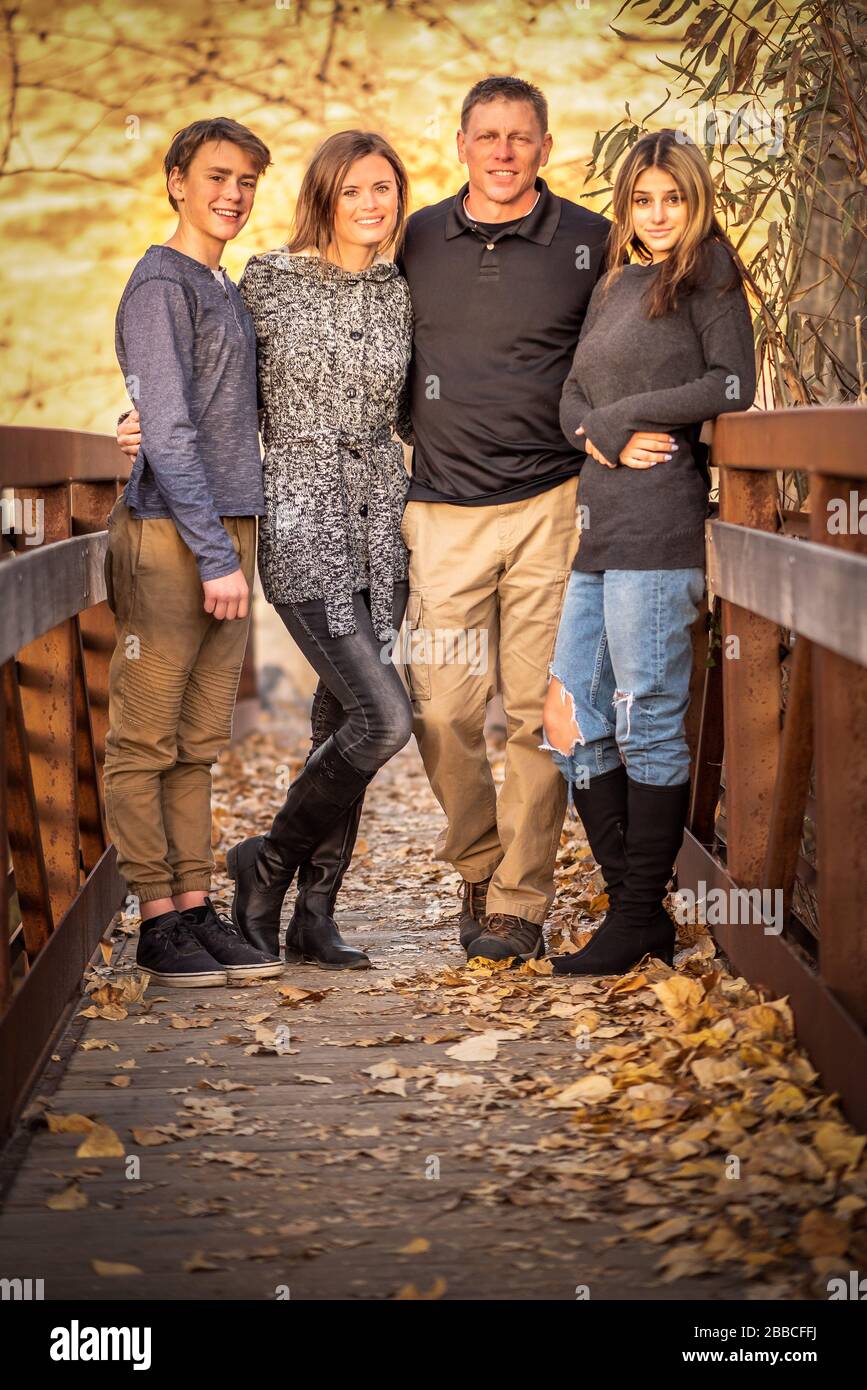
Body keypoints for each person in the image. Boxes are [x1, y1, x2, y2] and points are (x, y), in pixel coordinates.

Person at [398, 76, 610, 962]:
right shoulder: (414, 237)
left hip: (550, 505)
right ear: (460, 145)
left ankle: (519, 901)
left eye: (520, 137)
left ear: (545, 148)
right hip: (441, 507)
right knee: (440, 708)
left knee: (535, 713)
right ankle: (478, 864)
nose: (502, 151)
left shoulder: (592, 241)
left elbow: (638, 340)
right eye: (486, 135)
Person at [542, 128, 757, 976]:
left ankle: (633, 917)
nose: (658, 213)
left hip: (661, 526)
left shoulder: (707, 271)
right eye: (642, 199)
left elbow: (729, 383)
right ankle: (639, 912)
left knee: (646, 721)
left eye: (672, 197)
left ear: (692, 200)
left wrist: (628, 416)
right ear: (625, 206)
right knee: (569, 717)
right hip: (598, 527)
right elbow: (570, 397)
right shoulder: (613, 284)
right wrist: (597, 429)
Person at [107, 117, 283, 986]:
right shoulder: (159, 286)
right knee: (145, 739)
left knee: (197, 740)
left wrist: (229, 545)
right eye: (217, 176)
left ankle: (192, 905)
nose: (233, 194)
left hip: (227, 526)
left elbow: (193, 413)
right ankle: (154, 920)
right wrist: (214, 555)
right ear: (177, 180)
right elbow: (168, 430)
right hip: (175, 535)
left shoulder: (223, 286)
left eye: (248, 180)